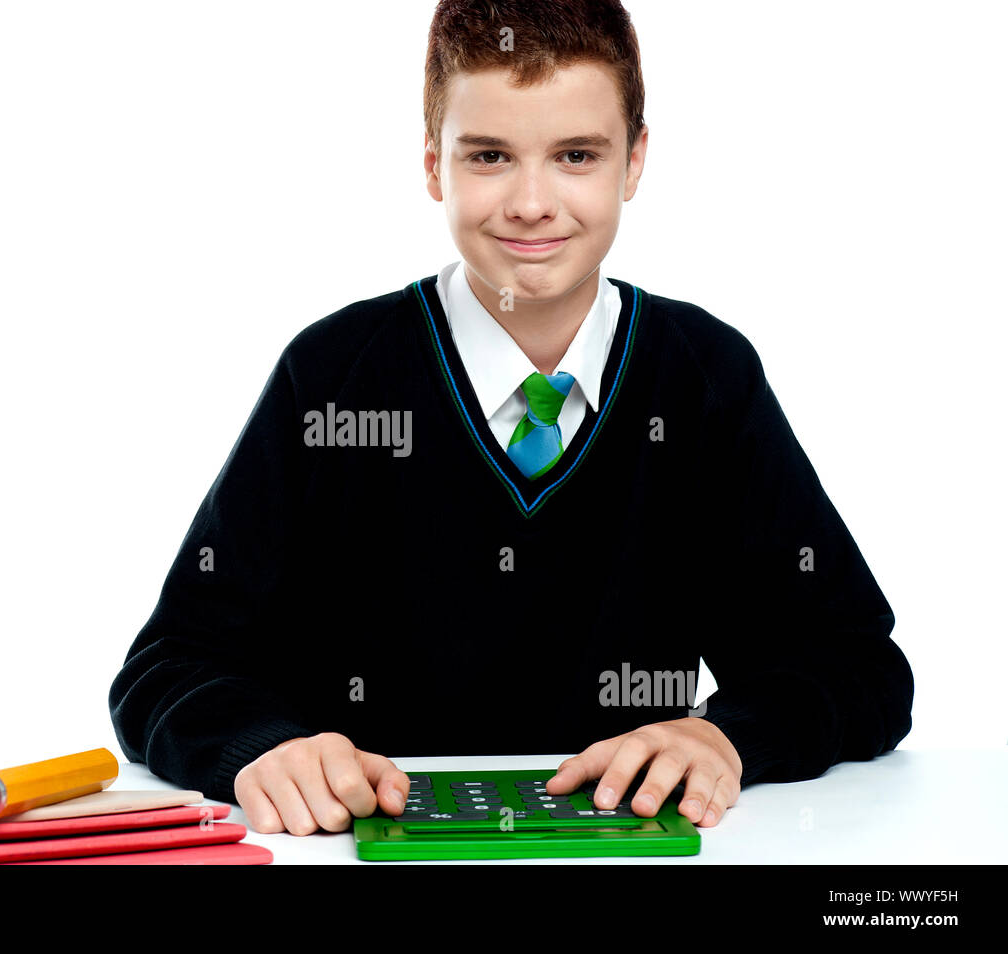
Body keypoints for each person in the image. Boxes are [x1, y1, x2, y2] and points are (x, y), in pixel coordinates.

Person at [108, 0, 913, 836]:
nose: (533, 203)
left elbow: (859, 663)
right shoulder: (332, 374)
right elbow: (167, 667)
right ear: (433, 167)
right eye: (490, 156)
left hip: (621, 847)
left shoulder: (706, 377)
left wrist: (725, 736)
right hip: (351, 849)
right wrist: (261, 746)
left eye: (576, 155)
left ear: (634, 163)